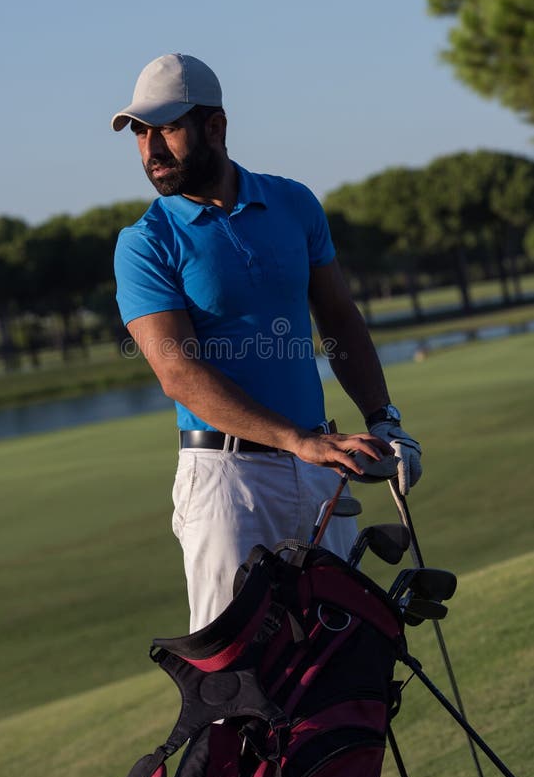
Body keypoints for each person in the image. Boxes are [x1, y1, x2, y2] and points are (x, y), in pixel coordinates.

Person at [111, 53, 422, 632]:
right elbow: (179, 374)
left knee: (346, 656)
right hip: (226, 483)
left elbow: (340, 317)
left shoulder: (293, 202)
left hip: (321, 467)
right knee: (236, 680)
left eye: (167, 129)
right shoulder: (144, 243)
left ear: (215, 127)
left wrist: (384, 419)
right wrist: (295, 439)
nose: (150, 150)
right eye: (140, 133)